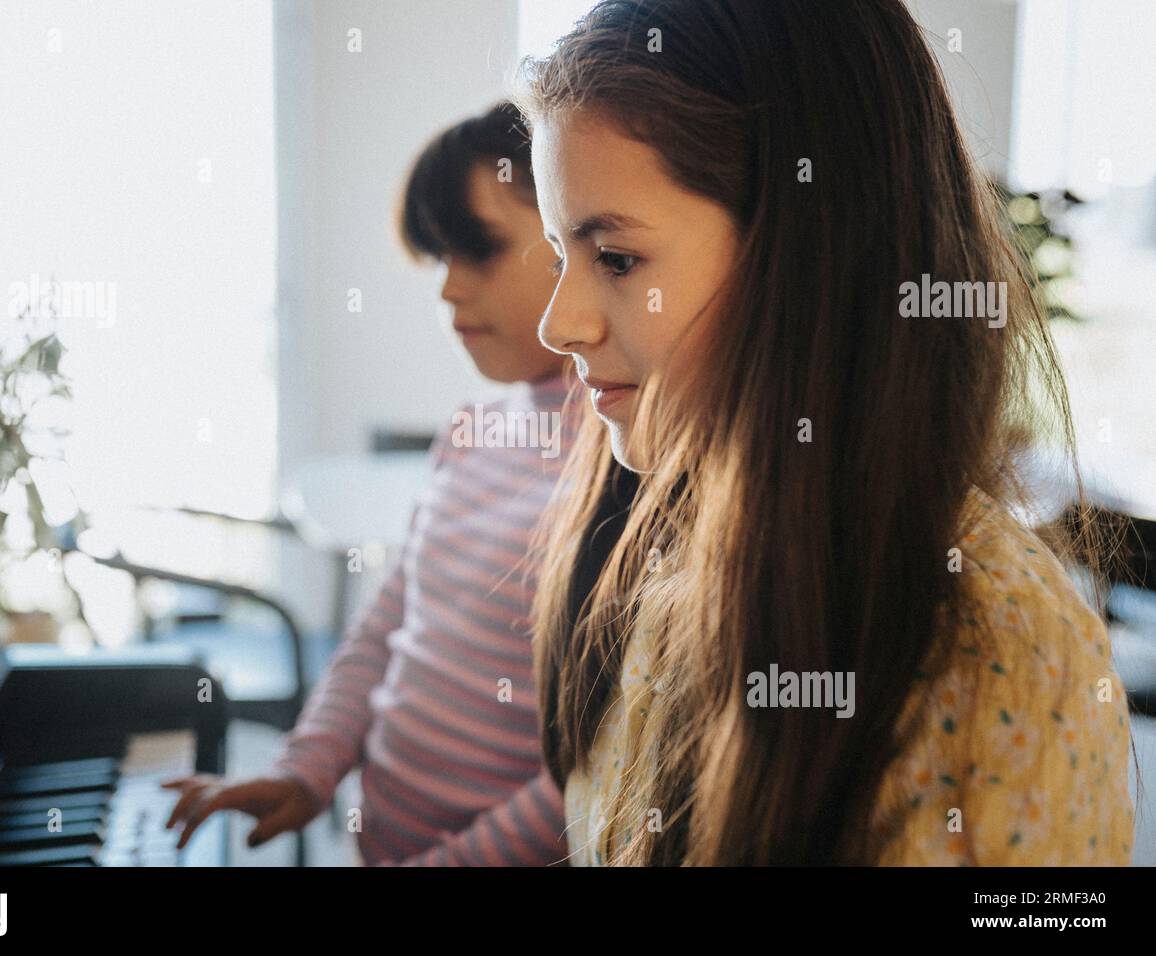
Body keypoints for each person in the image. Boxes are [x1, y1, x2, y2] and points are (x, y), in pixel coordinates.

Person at [518, 0, 1136, 865]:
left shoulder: (1002, 648)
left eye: (616, 258)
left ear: (810, 257)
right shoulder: (664, 530)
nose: (559, 322)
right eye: (559, 257)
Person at [164, 102, 575, 865]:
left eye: (478, 252)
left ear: (576, 239)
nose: (449, 289)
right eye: (439, 257)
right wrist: (306, 768)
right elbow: (385, 629)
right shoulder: (470, 430)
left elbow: (588, 780)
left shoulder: (629, 460)